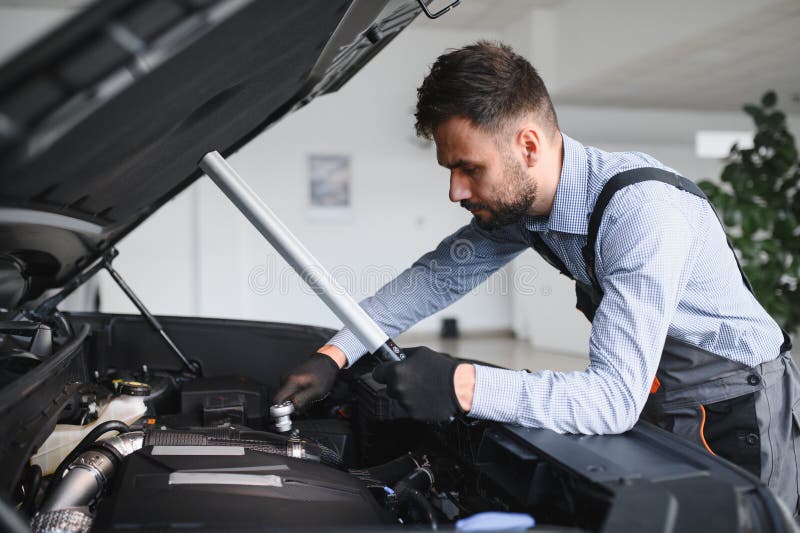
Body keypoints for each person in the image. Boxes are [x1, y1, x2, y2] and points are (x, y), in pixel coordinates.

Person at [274, 41, 799, 513]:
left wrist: (461, 384)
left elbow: (613, 398)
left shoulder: (642, 215)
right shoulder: (527, 211)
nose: (455, 191)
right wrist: (335, 352)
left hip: (732, 403)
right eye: (449, 171)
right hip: (661, 390)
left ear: (528, 146)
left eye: (469, 168)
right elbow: (436, 278)